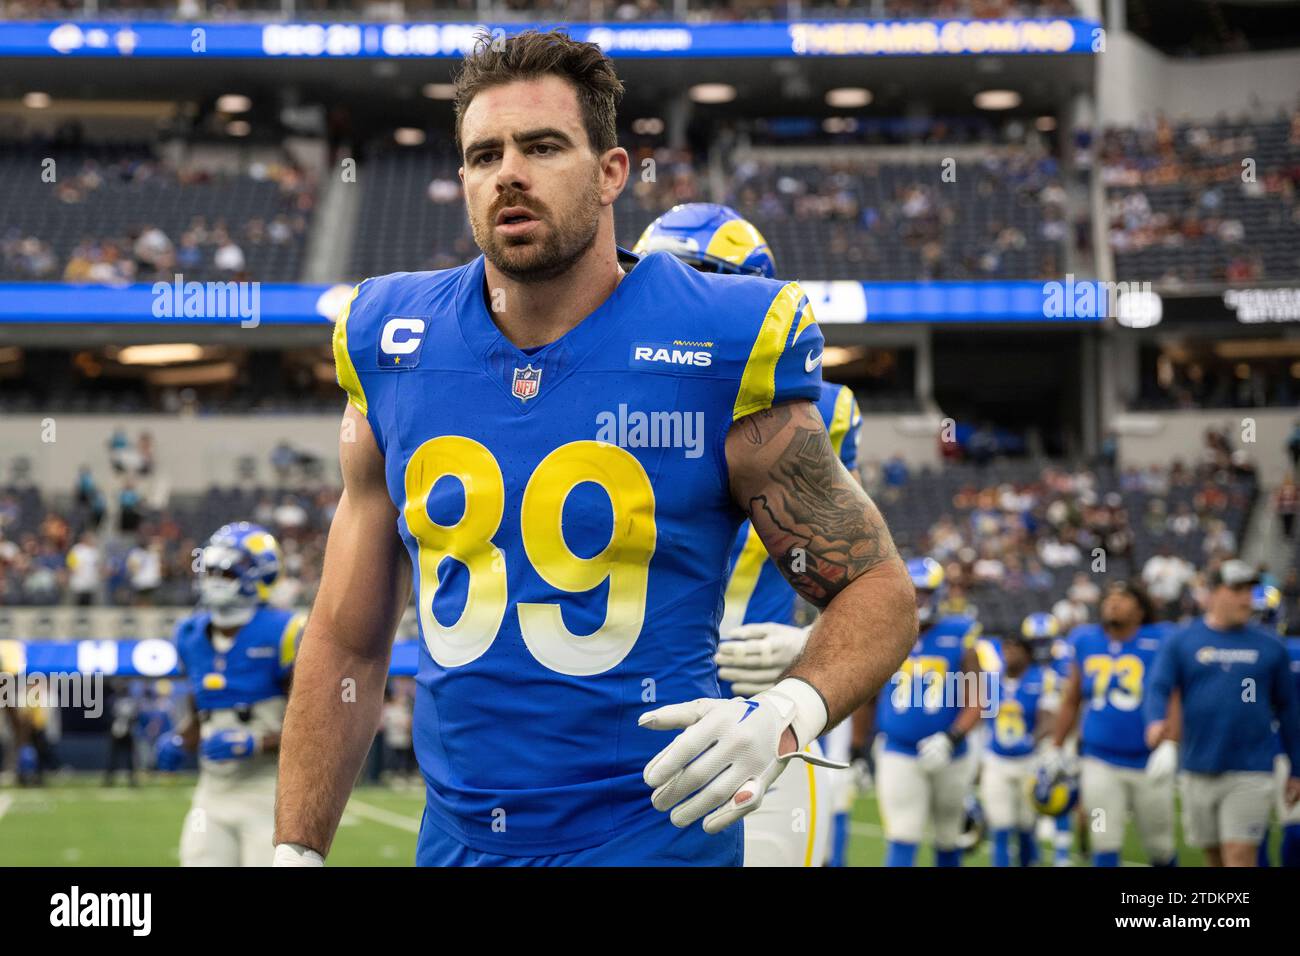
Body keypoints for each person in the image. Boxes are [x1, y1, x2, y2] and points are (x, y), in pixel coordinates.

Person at [272, 30, 914, 868]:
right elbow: (349, 639)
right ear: (462, 179)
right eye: (483, 154)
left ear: (612, 172)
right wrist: (297, 849)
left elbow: (877, 587)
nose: (509, 171)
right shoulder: (392, 339)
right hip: (458, 846)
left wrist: (793, 704)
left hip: (651, 838)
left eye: (542, 146)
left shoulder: (720, 337)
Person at [637, 201, 863, 868]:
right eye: (655, 277)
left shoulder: (819, 410)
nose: (668, 298)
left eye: (695, 277)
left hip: (756, 709)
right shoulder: (597, 392)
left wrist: (811, 648)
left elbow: (861, 579)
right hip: (625, 708)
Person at [156, 523, 306, 866]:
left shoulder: (285, 631)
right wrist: (181, 740)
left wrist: (255, 742)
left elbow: (317, 727)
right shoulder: (190, 634)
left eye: (226, 570)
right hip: (211, 792)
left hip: (268, 791)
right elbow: (202, 712)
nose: (213, 578)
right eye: (209, 569)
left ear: (260, 575)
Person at [1145, 560, 1300, 867]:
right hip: (1197, 766)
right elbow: (1158, 686)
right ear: (1213, 593)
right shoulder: (1182, 640)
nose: (1246, 598)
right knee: (1214, 858)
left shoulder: (1271, 646)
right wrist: (1155, 722)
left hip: (1251, 768)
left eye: (1250, 590)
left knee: (1240, 857)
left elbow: (1289, 711)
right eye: (1237, 589)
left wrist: (1296, 768)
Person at [1048, 580, 1176, 866]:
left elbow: (1177, 694)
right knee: (1103, 842)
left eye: (1124, 597)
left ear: (1141, 609)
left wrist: (1171, 741)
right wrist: (1056, 746)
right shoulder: (1085, 639)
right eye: (1109, 597)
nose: (1113, 602)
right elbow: (1072, 698)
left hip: (1149, 760)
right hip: (1099, 759)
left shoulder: (1162, 638)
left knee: (1161, 849)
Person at [873, 557, 984, 867]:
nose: (919, 598)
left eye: (926, 591)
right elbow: (866, 696)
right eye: (914, 591)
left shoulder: (961, 631)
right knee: (902, 834)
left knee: (949, 837)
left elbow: (978, 697)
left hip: (951, 753)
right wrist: (857, 746)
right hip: (898, 749)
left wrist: (951, 737)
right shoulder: (887, 630)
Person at [976, 614, 1058, 867]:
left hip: (1028, 761)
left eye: (1015, 648)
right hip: (996, 760)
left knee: (1026, 827)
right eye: (1006, 648)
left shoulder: (1043, 678)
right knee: (1000, 826)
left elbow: (1049, 719)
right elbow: (978, 719)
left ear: (1027, 652)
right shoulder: (990, 680)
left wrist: (1032, 739)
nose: (1009, 653)